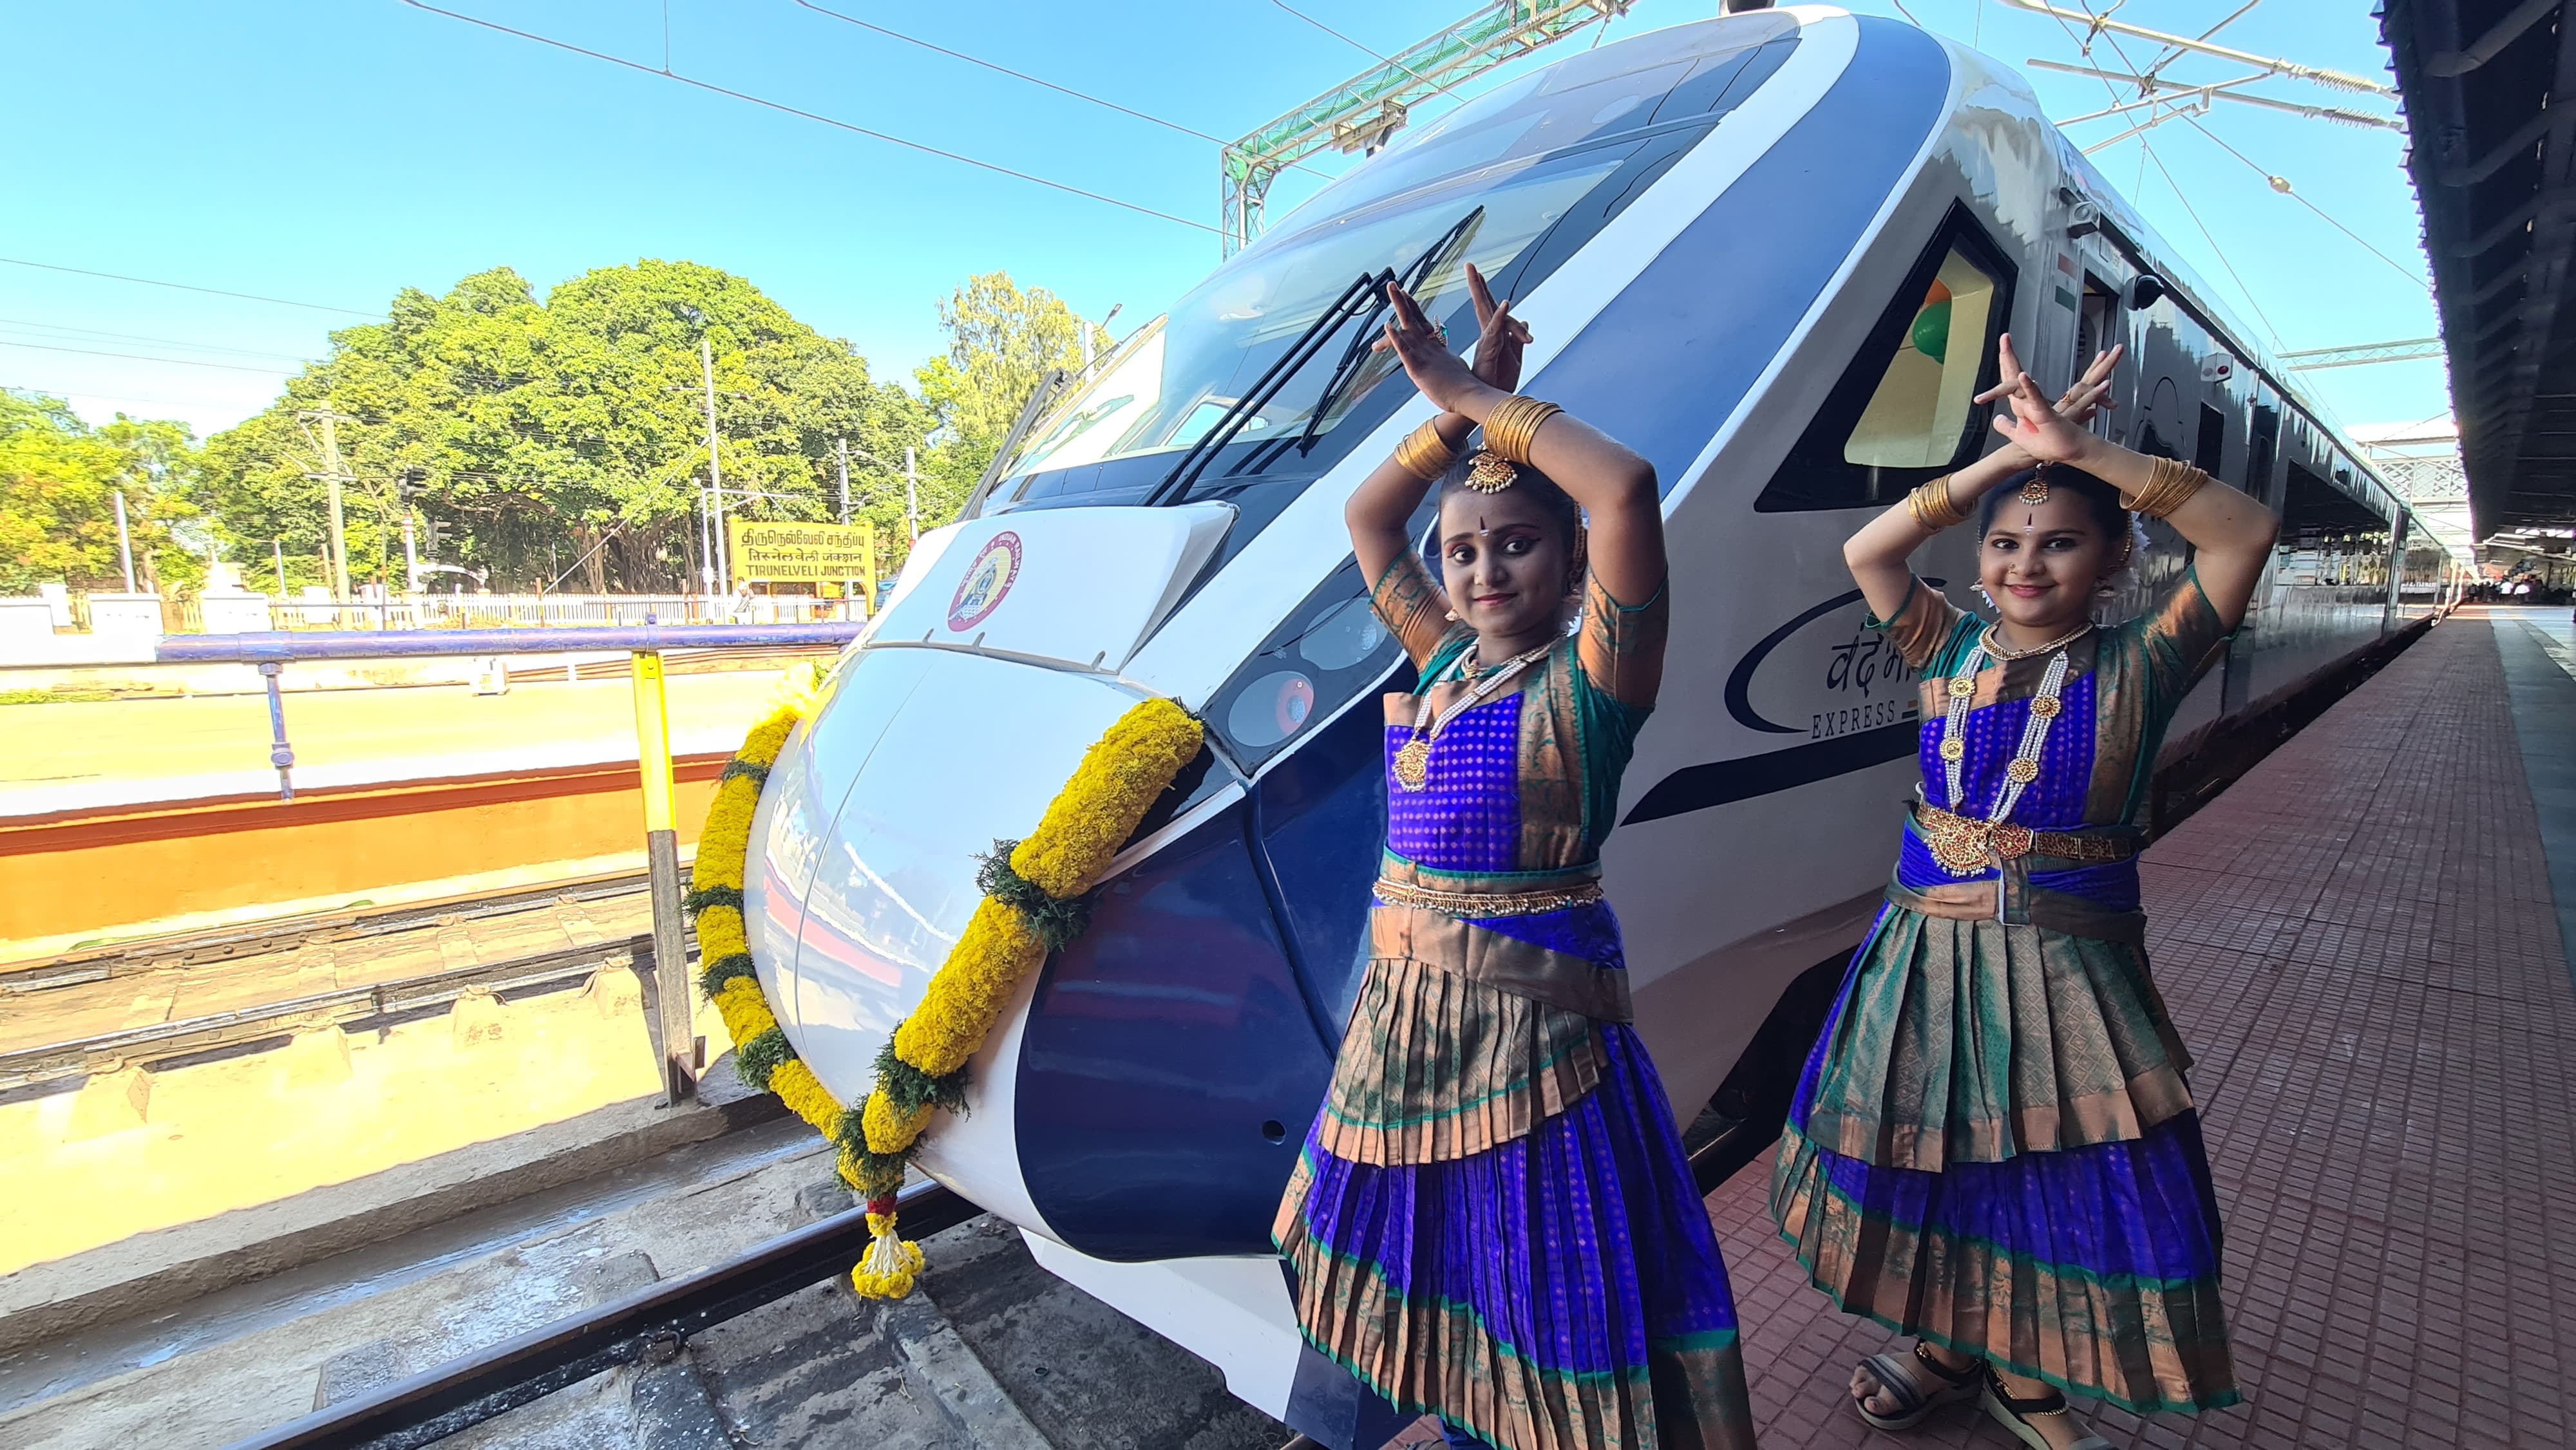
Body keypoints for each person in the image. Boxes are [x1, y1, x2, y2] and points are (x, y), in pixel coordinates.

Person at [1273, 266, 1758, 1450]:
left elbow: (1628, 485)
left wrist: (1464, 390)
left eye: (1520, 547)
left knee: (1549, 1277)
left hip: (1538, 1042)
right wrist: (1464, 409)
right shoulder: (1444, 665)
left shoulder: (1594, 685)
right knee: (1456, 1278)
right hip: (1407, 1035)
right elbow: (1370, 521)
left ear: (1574, 562)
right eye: (1466, 553)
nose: (1484, 572)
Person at [1771, 334, 2280, 1449]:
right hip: (1920, 961)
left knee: (2059, 1172)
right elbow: (1872, 549)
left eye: (2060, 544)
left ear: (2112, 564)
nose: (2024, 564)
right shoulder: (1943, 645)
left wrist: (2085, 450)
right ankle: (1951, 1344)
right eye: (2005, 543)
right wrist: (1990, 471)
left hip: (2066, 976)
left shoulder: (2142, 665)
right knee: (1936, 1159)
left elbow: (2242, 531)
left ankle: (2030, 1376)